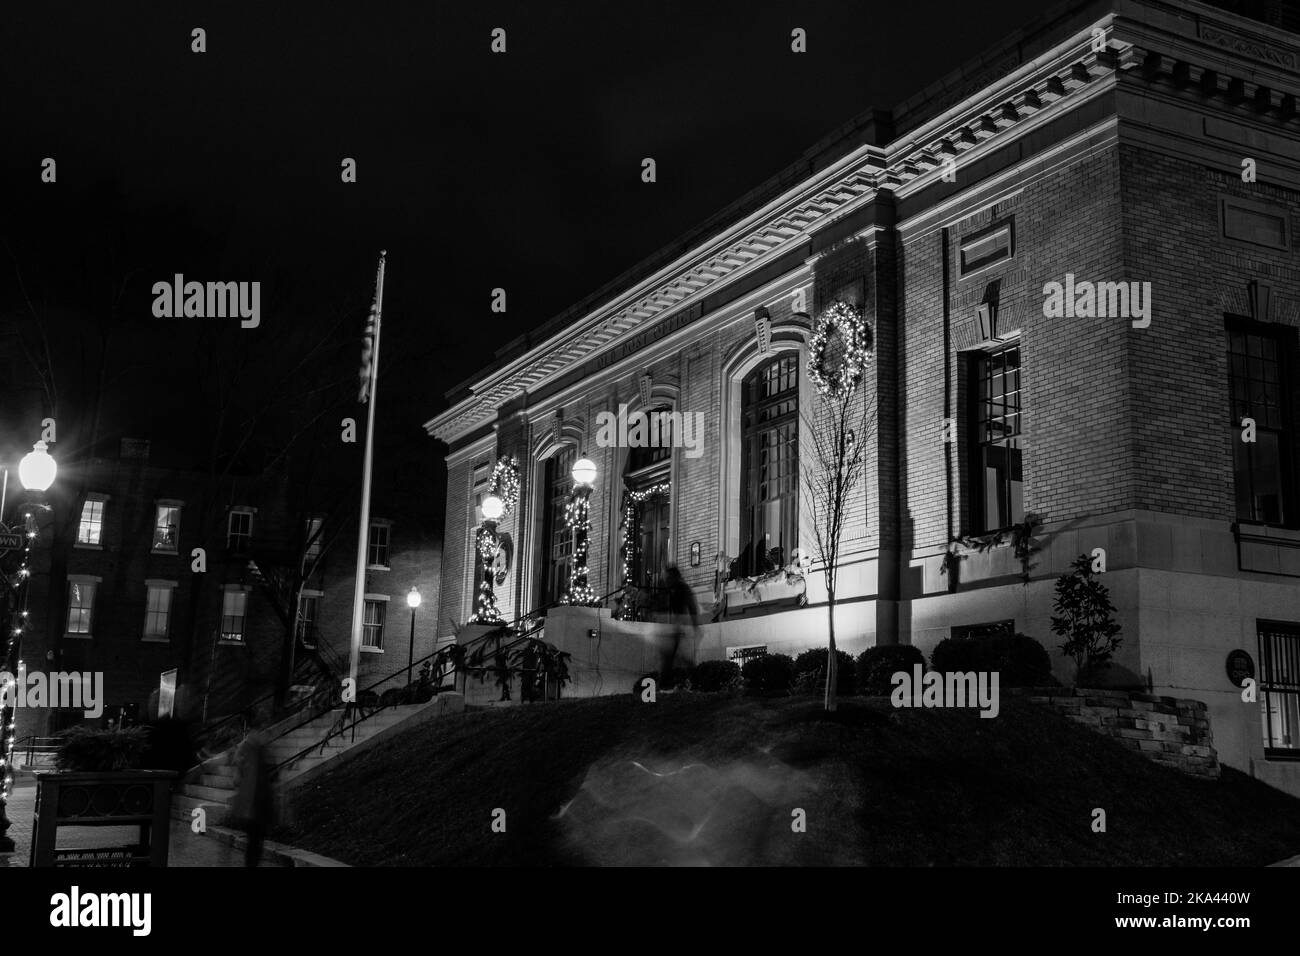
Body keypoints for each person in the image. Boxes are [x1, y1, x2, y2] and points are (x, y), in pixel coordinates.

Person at [230, 729, 274, 868]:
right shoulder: (261, 751)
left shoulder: (247, 751)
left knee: (254, 841)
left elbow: (237, 780)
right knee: (256, 841)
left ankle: (251, 863)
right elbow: (272, 775)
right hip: (258, 802)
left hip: (253, 802)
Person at [661, 566, 700, 689]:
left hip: (683, 627)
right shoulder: (674, 590)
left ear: (674, 577)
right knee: (673, 656)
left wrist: (694, 626)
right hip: (679, 627)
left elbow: (692, 608)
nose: (665, 580)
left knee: (675, 656)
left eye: (668, 578)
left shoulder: (682, 589)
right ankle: (668, 683)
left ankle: (666, 684)